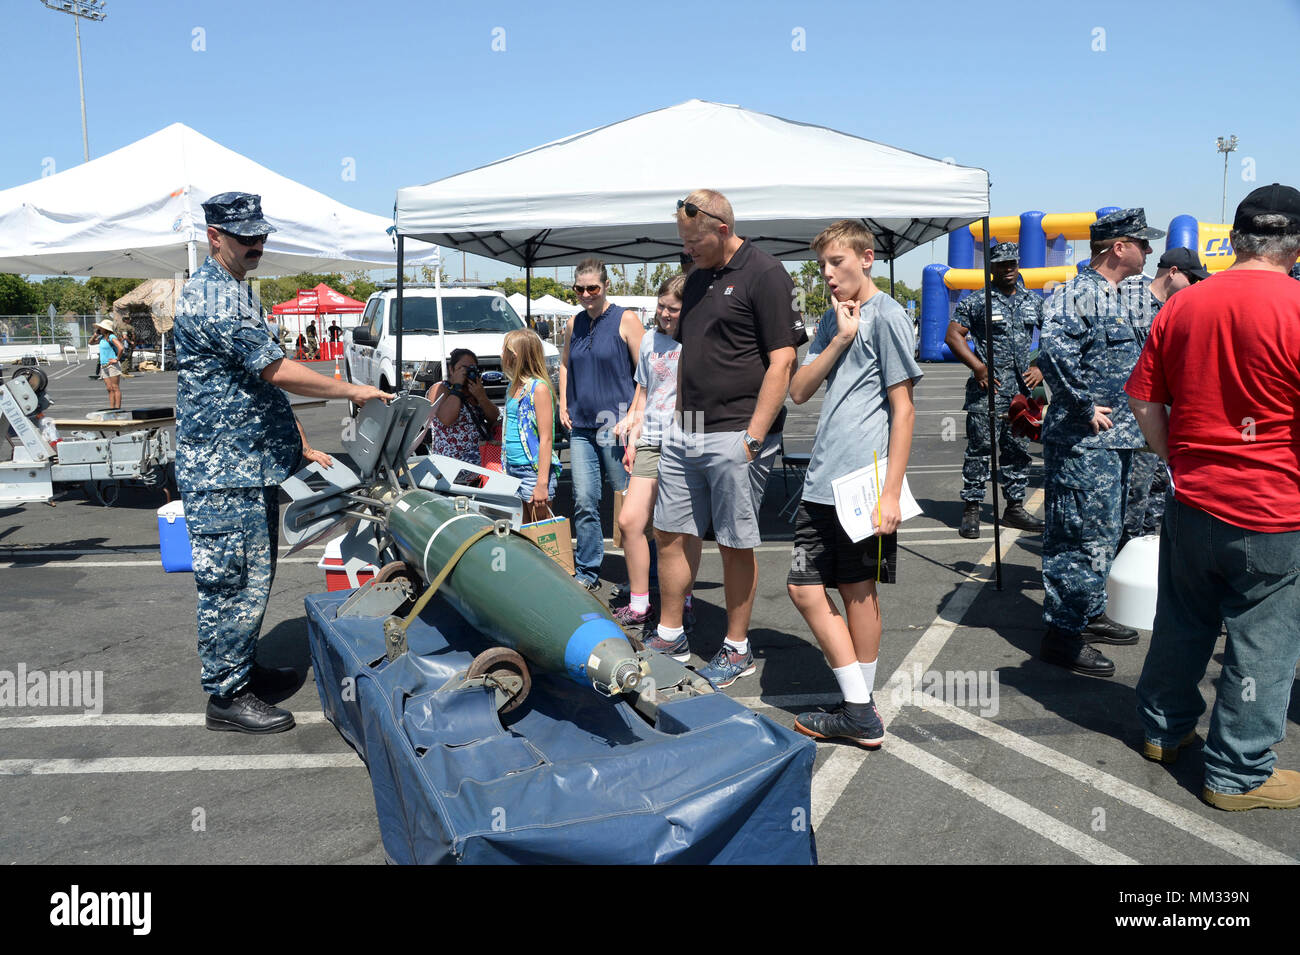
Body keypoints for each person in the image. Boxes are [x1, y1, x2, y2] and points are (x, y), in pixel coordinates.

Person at [175, 191, 389, 735]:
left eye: (261, 236)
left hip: (247, 466)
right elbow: (274, 369)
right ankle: (225, 695)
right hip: (224, 472)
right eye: (245, 237)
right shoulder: (214, 298)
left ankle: (241, 671)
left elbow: (258, 388)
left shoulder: (234, 290)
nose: (256, 245)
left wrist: (297, 444)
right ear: (214, 237)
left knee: (252, 577)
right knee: (231, 580)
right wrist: (352, 389)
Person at [1126, 183, 1300, 811]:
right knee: (1262, 640)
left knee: (1183, 620)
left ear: (1236, 237)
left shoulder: (1185, 304)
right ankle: (1238, 772)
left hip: (1191, 500)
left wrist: (1174, 457)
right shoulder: (1297, 305)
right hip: (1272, 510)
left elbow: (1144, 397)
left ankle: (1163, 731)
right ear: (1296, 244)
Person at [653, 189, 806, 688]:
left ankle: (737, 648)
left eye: (693, 240)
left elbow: (784, 360)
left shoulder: (765, 274)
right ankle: (670, 632)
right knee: (671, 532)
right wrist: (676, 420)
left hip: (738, 432)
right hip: (688, 430)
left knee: (735, 543)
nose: (687, 249)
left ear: (721, 229)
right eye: (682, 240)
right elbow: (691, 354)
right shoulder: (696, 278)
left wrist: (754, 439)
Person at [785, 221, 921, 746]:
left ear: (866, 258)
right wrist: (839, 337)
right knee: (815, 588)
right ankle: (860, 708)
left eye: (836, 263)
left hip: (863, 484)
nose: (827, 275)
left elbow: (904, 410)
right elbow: (797, 389)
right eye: (821, 266)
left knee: (848, 591)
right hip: (824, 482)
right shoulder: (832, 319)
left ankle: (859, 710)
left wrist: (890, 492)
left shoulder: (888, 316)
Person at [1036, 208, 1162, 677]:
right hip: (1082, 445)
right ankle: (1062, 635)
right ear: (1118, 247)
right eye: (1142, 243)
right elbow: (1052, 348)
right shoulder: (1078, 293)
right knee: (1077, 536)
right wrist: (1083, 405)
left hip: (1117, 443)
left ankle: (1088, 613)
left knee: (1103, 535)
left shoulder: (1124, 295)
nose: (1148, 252)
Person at [612, 275, 701, 631]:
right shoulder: (649, 339)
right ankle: (639, 604)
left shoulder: (697, 340)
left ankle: (685, 599)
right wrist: (632, 435)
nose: (664, 313)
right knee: (630, 522)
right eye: (661, 306)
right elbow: (644, 393)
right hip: (650, 438)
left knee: (684, 530)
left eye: (673, 308)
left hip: (687, 436)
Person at [945, 241, 1044, 539]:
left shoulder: (1032, 301)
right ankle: (972, 509)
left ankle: (1014, 508)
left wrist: (1040, 367)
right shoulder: (977, 302)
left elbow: (1054, 335)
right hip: (988, 390)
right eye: (1002, 264)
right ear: (991, 268)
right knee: (979, 450)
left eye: (1012, 263)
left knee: (1018, 450)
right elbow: (953, 336)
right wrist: (977, 366)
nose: (1008, 269)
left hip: (1023, 393)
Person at [558, 258, 644, 591]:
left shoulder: (627, 319)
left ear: (605, 286)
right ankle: (588, 571)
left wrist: (634, 413)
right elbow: (565, 364)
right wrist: (564, 401)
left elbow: (645, 373)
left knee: (628, 501)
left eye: (592, 288)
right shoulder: (573, 323)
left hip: (616, 425)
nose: (586, 294)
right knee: (584, 500)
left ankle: (639, 576)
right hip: (581, 425)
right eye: (579, 289)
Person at [1117, 246, 1208, 548]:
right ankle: (1124, 560)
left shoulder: (1176, 309)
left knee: (1160, 491)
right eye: (1191, 278)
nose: (1195, 286)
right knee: (1134, 496)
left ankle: (1149, 551)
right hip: (1133, 419)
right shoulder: (1130, 304)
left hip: (1163, 416)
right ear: (1172, 273)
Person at [502, 329, 558, 521]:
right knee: (523, 535)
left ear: (515, 356)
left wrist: (542, 483)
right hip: (512, 468)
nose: (501, 355)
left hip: (532, 471)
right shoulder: (512, 386)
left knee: (540, 534)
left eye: (504, 350)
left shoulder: (539, 388)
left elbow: (546, 438)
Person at [422, 347, 498, 465]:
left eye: (472, 368)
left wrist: (481, 397)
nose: (467, 372)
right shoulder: (441, 388)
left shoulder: (474, 390)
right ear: (451, 370)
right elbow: (447, 419)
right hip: (453, 460)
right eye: (463, 368)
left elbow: (494, 417)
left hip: (481, 452)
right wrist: (457, 387)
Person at [93, 319, 125, 410]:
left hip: (112, 366)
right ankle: (112, 409)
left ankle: (117, 409)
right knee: (109, 389)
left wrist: (116, 359)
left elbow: (121, 348)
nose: (99, 329)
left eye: (101, 328)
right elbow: (91, 342)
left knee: (115, 388)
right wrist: (95, 335)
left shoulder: (111, 337)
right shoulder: (101, 338)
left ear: (105, 329)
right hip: (104, 366)